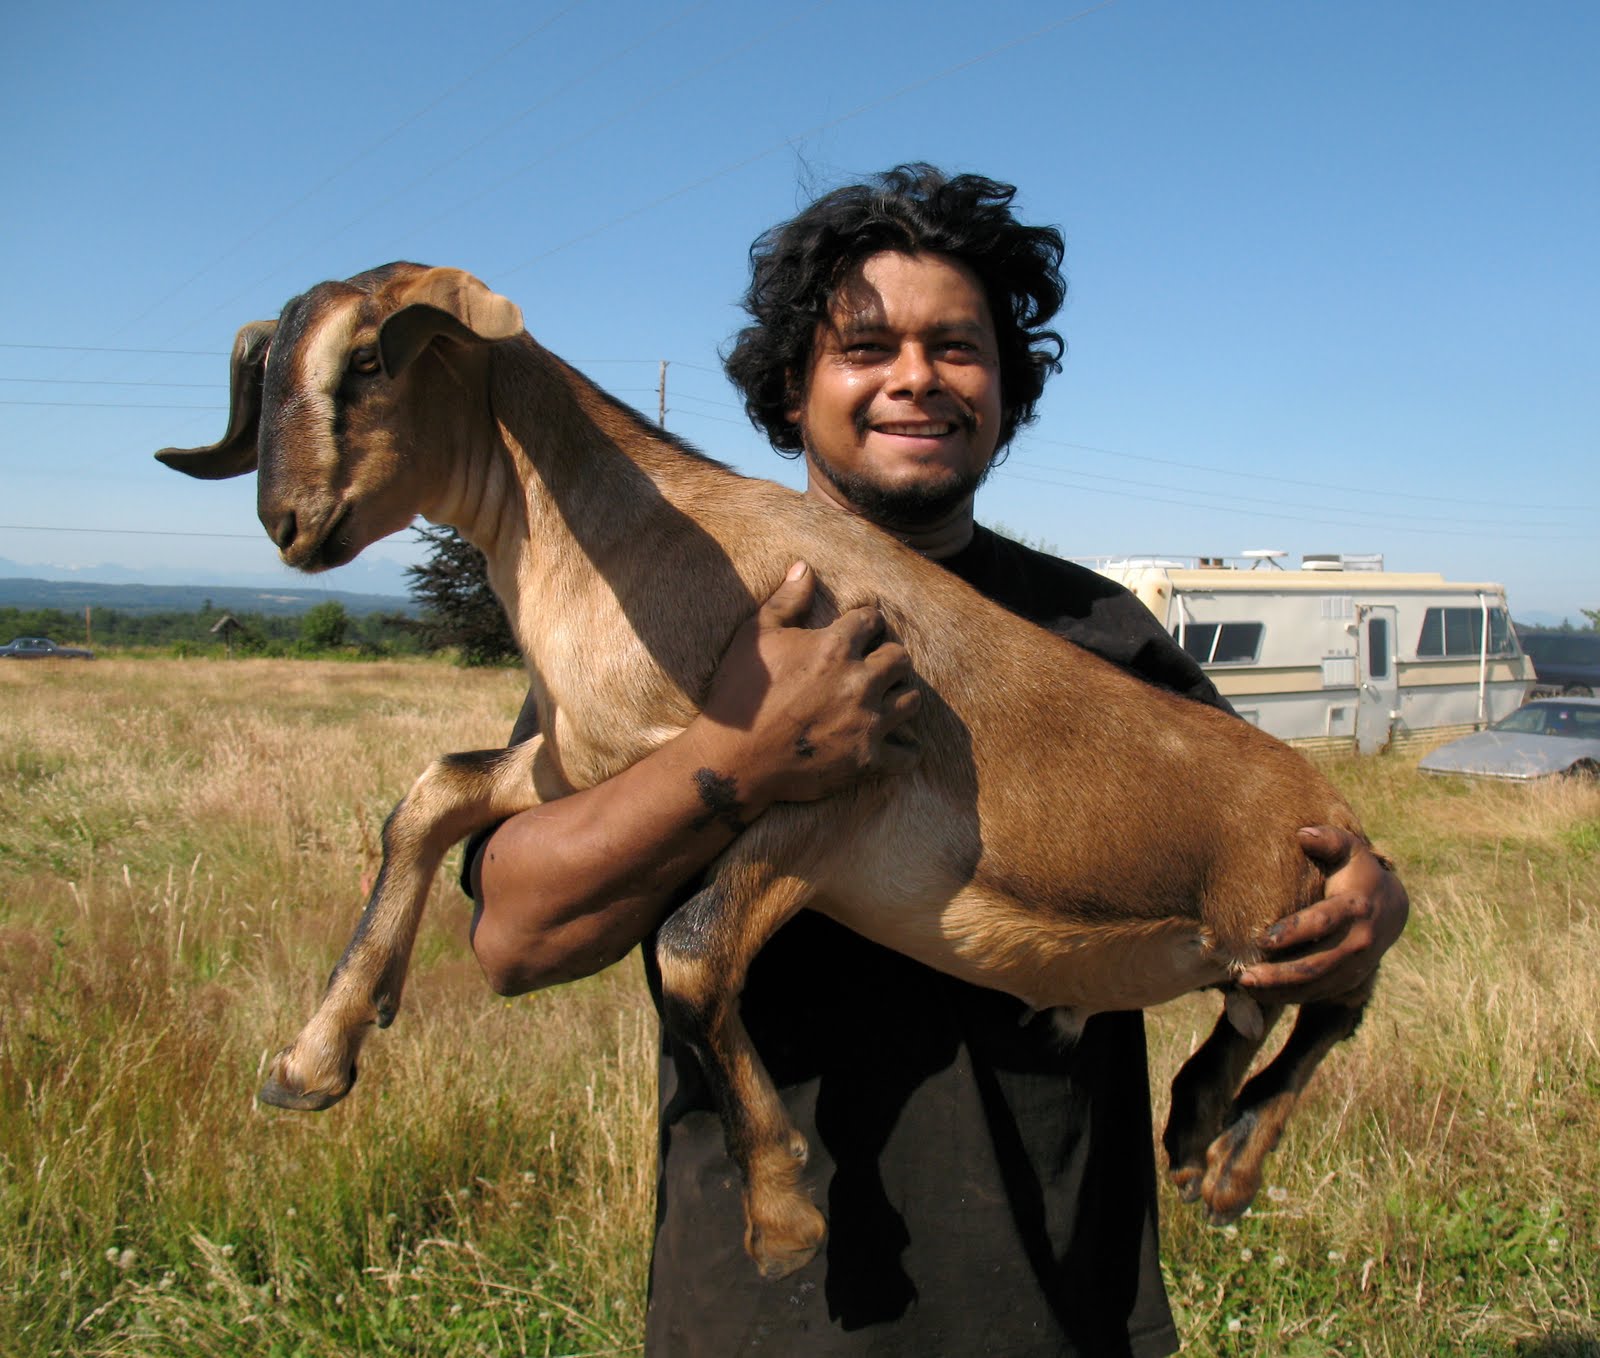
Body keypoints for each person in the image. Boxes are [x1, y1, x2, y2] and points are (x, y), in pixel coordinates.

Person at [463, 164, 1408, 1356]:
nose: (916, 376)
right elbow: (515, 938)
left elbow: (1283, 837)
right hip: (768, 1310)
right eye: (865, 347)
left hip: (1066, 1297)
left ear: (1007, 387)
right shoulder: (665, 620)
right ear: (791, 387)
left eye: (958, 347)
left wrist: (1374, 903)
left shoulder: (1100, 628)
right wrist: (737, 754)